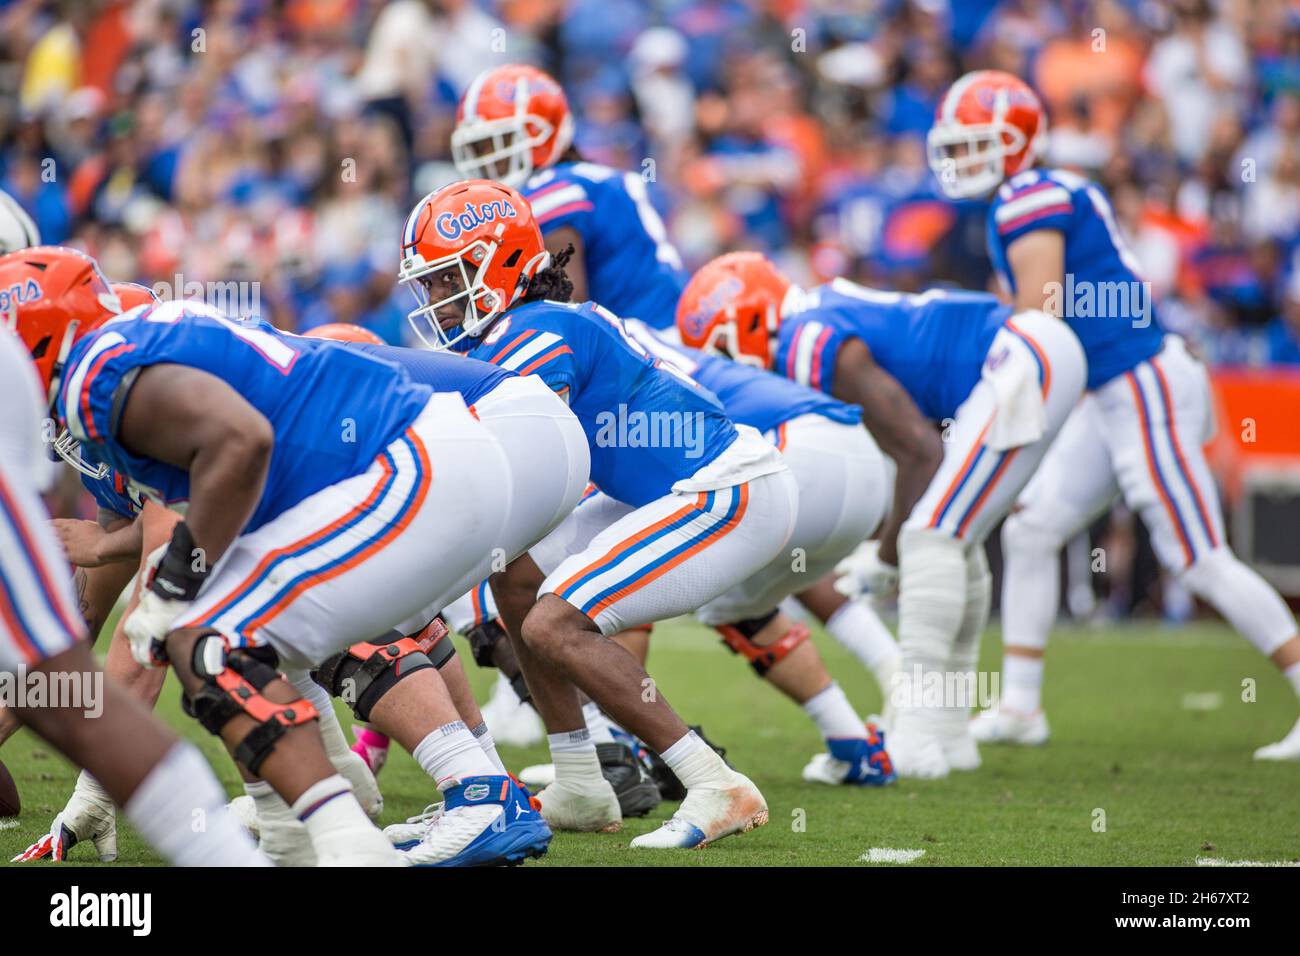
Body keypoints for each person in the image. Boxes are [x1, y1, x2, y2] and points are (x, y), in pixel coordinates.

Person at [2, 244, 544, 866]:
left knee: (225, 629)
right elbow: (87, 617)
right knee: (246, 613)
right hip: (464, 445)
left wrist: (95, 787)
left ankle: (463, 794)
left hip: (472, 435)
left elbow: (166, 576)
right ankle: (332, 808)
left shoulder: (113, 379)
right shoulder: (135, 384)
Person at [398, 178, 799, 848]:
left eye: (449, 279)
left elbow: (519, 463)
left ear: (497, 266)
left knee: (555, 621)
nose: (437, 299)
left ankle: (712, 781)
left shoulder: (538, 329)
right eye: (431, 284)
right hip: (678, 486)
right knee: (515, 576)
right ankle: (581, 781)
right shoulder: (525, 327)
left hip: (729, 487)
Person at [928, 69, 1300, 761]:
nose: (960, 160)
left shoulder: (1027, 196)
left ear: (1015, 143)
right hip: (1114, 386)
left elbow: (1038, 317)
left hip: (1139, 382)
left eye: (975, 144)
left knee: (1197, 558)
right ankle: (1019, 706)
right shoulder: (1040, 190)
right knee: (1036, 528)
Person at [676, 250, 1085, 779]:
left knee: (932, 539)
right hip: (1029, 352)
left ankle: (914, 736)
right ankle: (950, 732)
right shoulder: (815, 317)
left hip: (1020, 358)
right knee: (956, 544)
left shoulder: (804, 340)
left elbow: (919, 450)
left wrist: (887, 556)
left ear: (746, 323)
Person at [0, 264, 267, 868]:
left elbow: (158, 556)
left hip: (300, 496)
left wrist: (95, 787)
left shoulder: (136, 395)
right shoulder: (81, 407)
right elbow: (85, 605)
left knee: (216, 628)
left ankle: (460, 779)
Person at [451, 64, 687, 335]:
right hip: (669, 333)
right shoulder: (592, 177)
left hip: (648, 345)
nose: (486, 158)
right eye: (477, 148)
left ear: (542, 133)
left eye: (496, 143)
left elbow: (565, 312)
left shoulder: (550, 190)